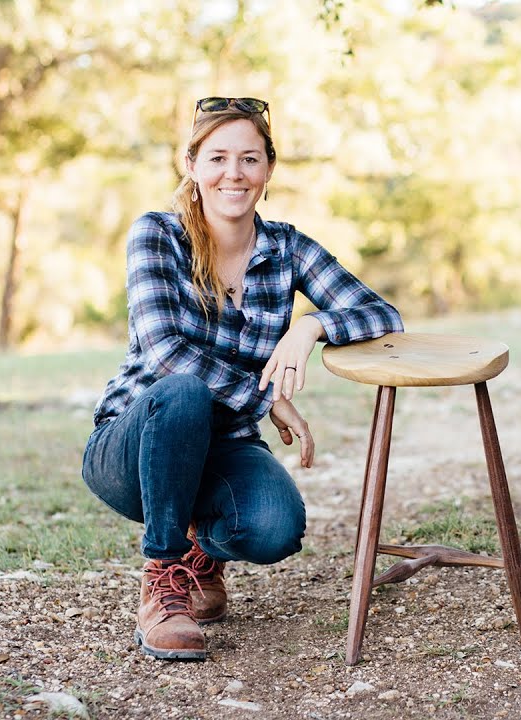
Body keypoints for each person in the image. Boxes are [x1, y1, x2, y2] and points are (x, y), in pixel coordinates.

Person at [81, 96, 404, 661]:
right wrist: (264, 397)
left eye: (250, 159)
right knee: (184, 391)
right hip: (131, 448)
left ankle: (203, 549)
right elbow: (165, 352)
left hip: (225, 445)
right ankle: (164, 575)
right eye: (219, 157)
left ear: (268, 169)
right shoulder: (157, 234)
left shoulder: (287, 248)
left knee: (276, 527)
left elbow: (382, 315)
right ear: (193, 165)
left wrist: (311, 327)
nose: (235, 173)